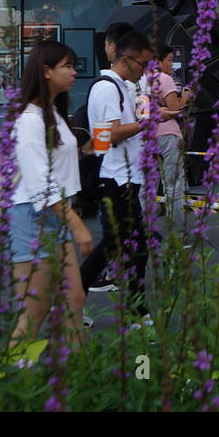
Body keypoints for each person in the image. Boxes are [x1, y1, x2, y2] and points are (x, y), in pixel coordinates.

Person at [10, 40, 94, 346]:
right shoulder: (30, 119)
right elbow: (40, 184)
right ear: (46, 71)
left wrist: (86, 149)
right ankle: (11, 380)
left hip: (56, 216)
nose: (74, 72)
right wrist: (78, 225)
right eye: (67, 66)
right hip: (34, 218)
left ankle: (81, 377)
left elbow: (56, 164)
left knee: (75, 300)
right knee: (34, 312)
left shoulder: (51, 113)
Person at [79, 31, 153, 325]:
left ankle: (135, 307)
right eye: (143, 64)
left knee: (132, 246)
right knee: (115, 246)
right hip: (115, 178)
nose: (144, 71)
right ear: (126, 59)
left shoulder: (124, 87)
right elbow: (107, 135)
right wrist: (146, 123)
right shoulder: (107, 88)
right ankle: (76, 302)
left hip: (125, 176)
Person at [140, 45, 189, 241]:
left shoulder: (140, 80)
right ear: (158, 61)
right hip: (168, 134)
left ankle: (145, 230)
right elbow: (176, 109)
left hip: (145, 136)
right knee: (173, 186)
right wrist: (184, 96)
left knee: (147, 186)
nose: (171, 64)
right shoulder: (165, 79)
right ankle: (178, 235)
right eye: (168, 59)